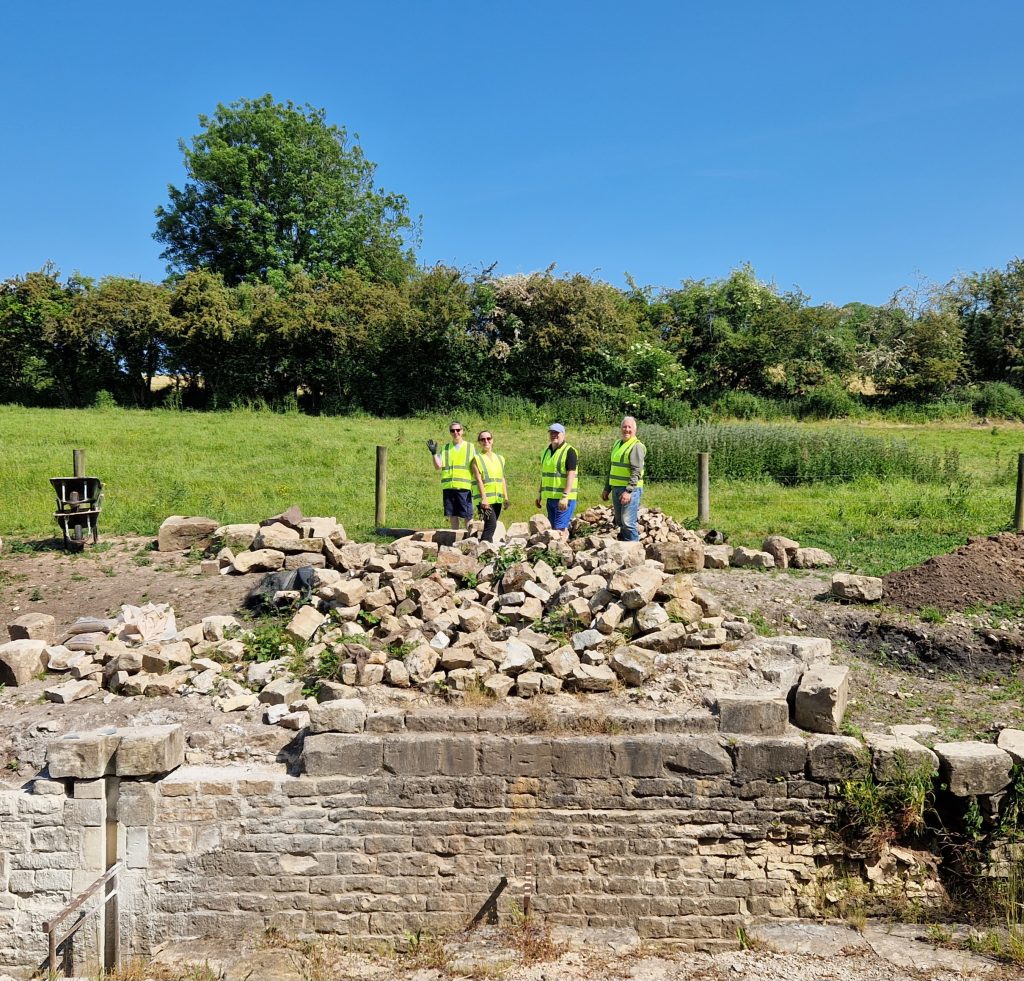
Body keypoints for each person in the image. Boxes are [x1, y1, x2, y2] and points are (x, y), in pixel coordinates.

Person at [427, 421, 483, 530]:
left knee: (467, 515)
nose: (455, 432)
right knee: (452, 515)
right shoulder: (446, 448)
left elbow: (477, 467)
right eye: (453, 430)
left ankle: (469, 539)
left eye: (458, 430)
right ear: (450, 432)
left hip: (464, 487)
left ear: (462, 431)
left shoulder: (470, 447)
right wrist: (433, 453)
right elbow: (438, 466)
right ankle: (455, 539)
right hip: (449, 487)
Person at [601, 415, 646, 542]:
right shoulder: (617, 444)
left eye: (629, 427)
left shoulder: (636, 446)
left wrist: (628, 491)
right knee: (620, 522)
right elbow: (612, 468)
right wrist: (607, 488)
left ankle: (635, 549)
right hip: (616, 487)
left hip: (630, 490)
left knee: (628, 522)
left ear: (635, 430)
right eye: (624, 427)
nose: (626, 430)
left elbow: (636, 471)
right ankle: (626, 549)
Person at [535, 423, 578, 535]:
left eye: (557, 433)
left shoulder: (569, 451)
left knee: (559, 531)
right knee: (553, 529)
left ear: (563, 434)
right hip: (551, 498)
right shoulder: (545, 452)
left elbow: (571, 474)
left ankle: (560, 552)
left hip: (564, 499)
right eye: (551, 433)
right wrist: (540, 493)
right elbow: (545, 475)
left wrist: (565, 496)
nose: (554, 435)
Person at [472, 429, 509, 543]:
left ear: (492, 440)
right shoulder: (476, 459)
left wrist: (506, 498)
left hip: (497, 499)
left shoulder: (500, 458)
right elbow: (479, 480)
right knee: (491, 525)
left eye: (488, 438)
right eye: (482, 439)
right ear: (479, 442)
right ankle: (484, 551)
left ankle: (486, 547)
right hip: (484, 501)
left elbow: (502, 478)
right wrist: (484, 499)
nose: (486, 441)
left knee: (490, 525)